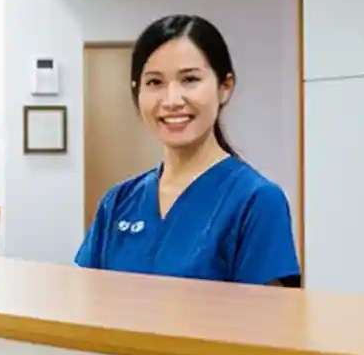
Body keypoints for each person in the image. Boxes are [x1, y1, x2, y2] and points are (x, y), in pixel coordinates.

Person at [74, 14, 300, 287]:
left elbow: (269, 322)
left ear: (225, 87)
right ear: (137, 93)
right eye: (154, 82)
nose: (171, 100)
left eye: (190, 79)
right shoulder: (118, 202)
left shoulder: (257, 201)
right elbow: (84, 303)